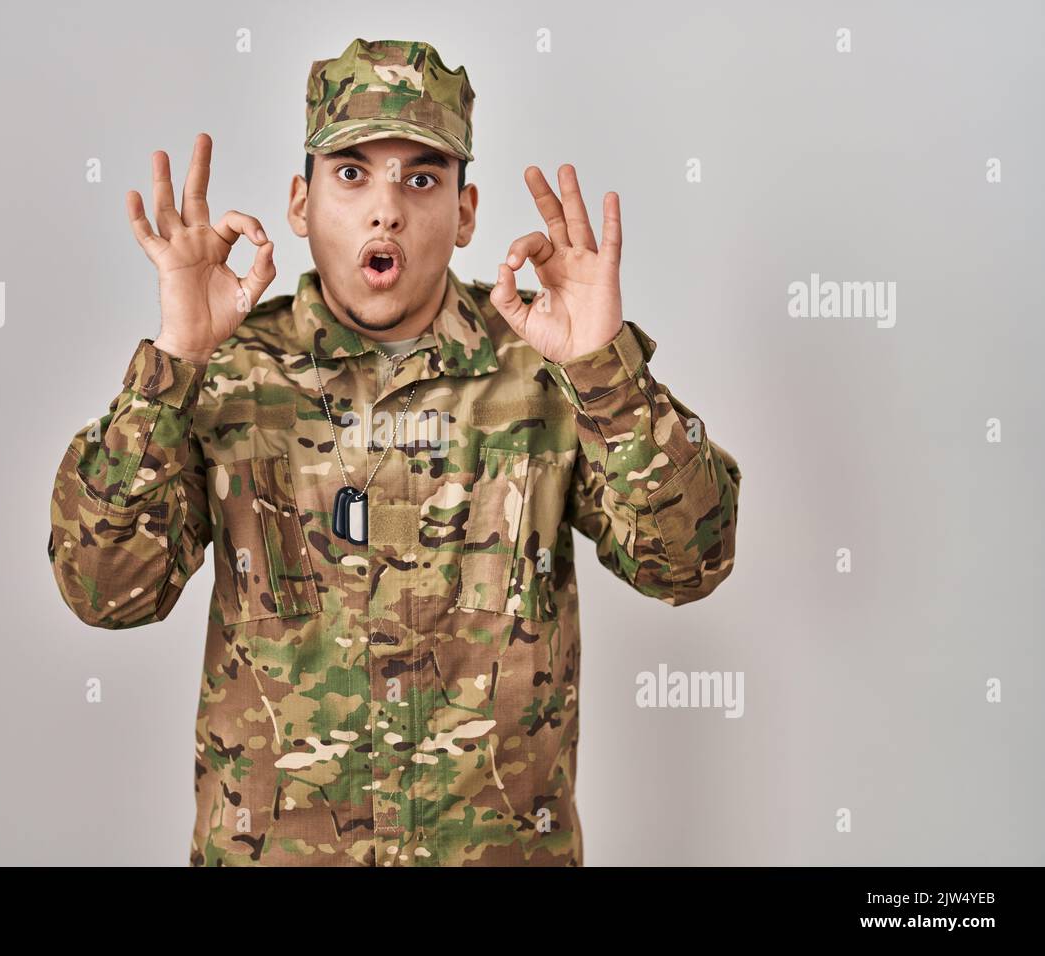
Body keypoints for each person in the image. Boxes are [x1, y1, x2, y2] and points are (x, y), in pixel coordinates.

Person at [47, 38, 741, 867]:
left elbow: (689, 563)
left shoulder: (544, 369)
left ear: (466, 211)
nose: (387, 210)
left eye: (421, 177)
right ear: (300, 206)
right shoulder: (229, 377)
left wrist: (605, 368)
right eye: (352, 174)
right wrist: (174, 364)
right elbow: (104, 591)